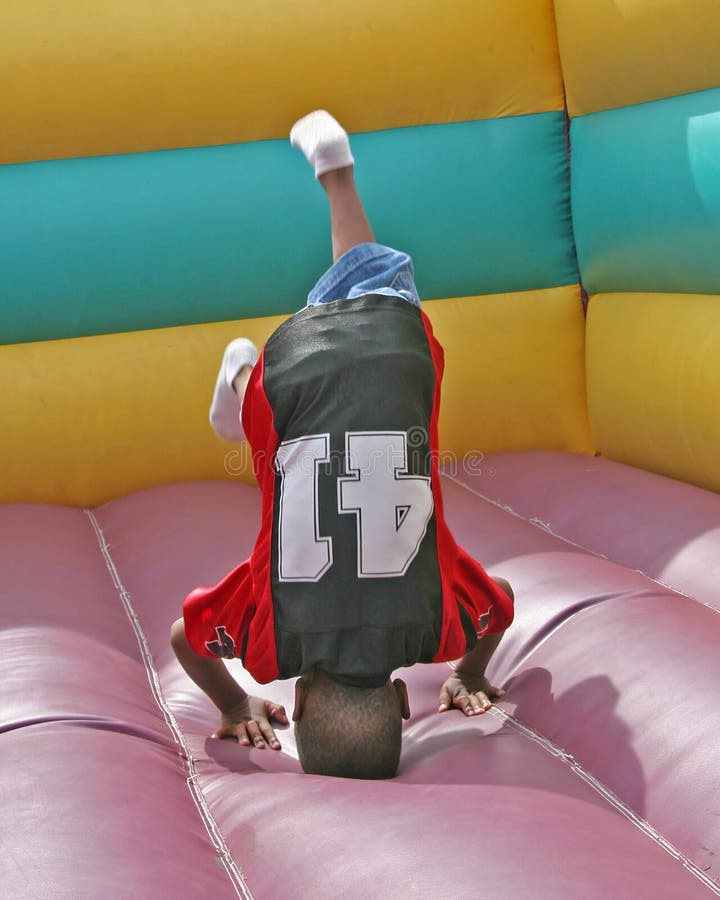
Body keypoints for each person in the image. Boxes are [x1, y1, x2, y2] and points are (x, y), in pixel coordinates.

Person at [170, 111, 514, 779]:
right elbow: (189, 638)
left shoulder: (439, 624)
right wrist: (235, 699)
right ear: (295, 697)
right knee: (271, 429)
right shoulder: (269, 643)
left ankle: (337, 175)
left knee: (375, 290)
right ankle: (241, 374)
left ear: (399, 699)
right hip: (287, 388)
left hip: (398, 359)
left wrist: (466, 671)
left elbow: (498, 602)